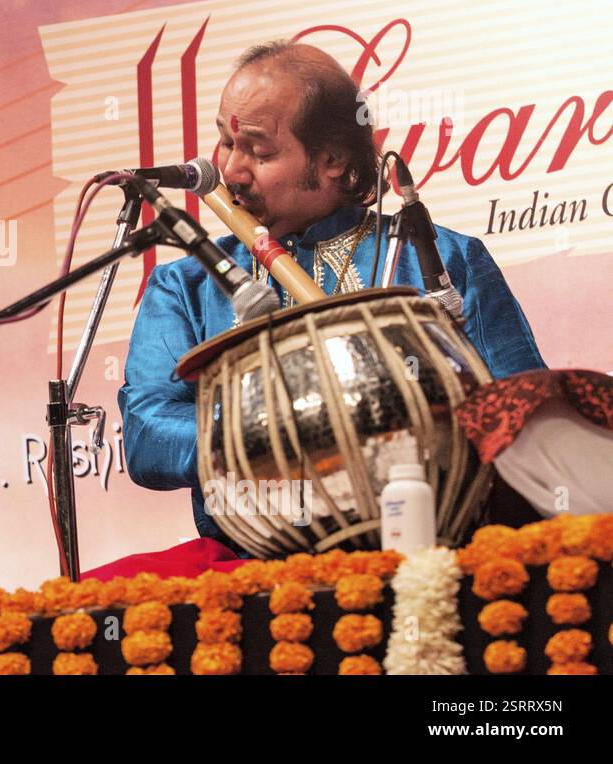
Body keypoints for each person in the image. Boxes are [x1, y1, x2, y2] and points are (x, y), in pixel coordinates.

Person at [119, 40, 546, 545]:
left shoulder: (442, 260)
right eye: (226, 142)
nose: (231, 169)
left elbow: (526, 420)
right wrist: (295, 433)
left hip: (432, 548)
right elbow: (148, 437)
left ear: (335, 162)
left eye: (259, 150)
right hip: (254, 574)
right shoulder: (186, 284)